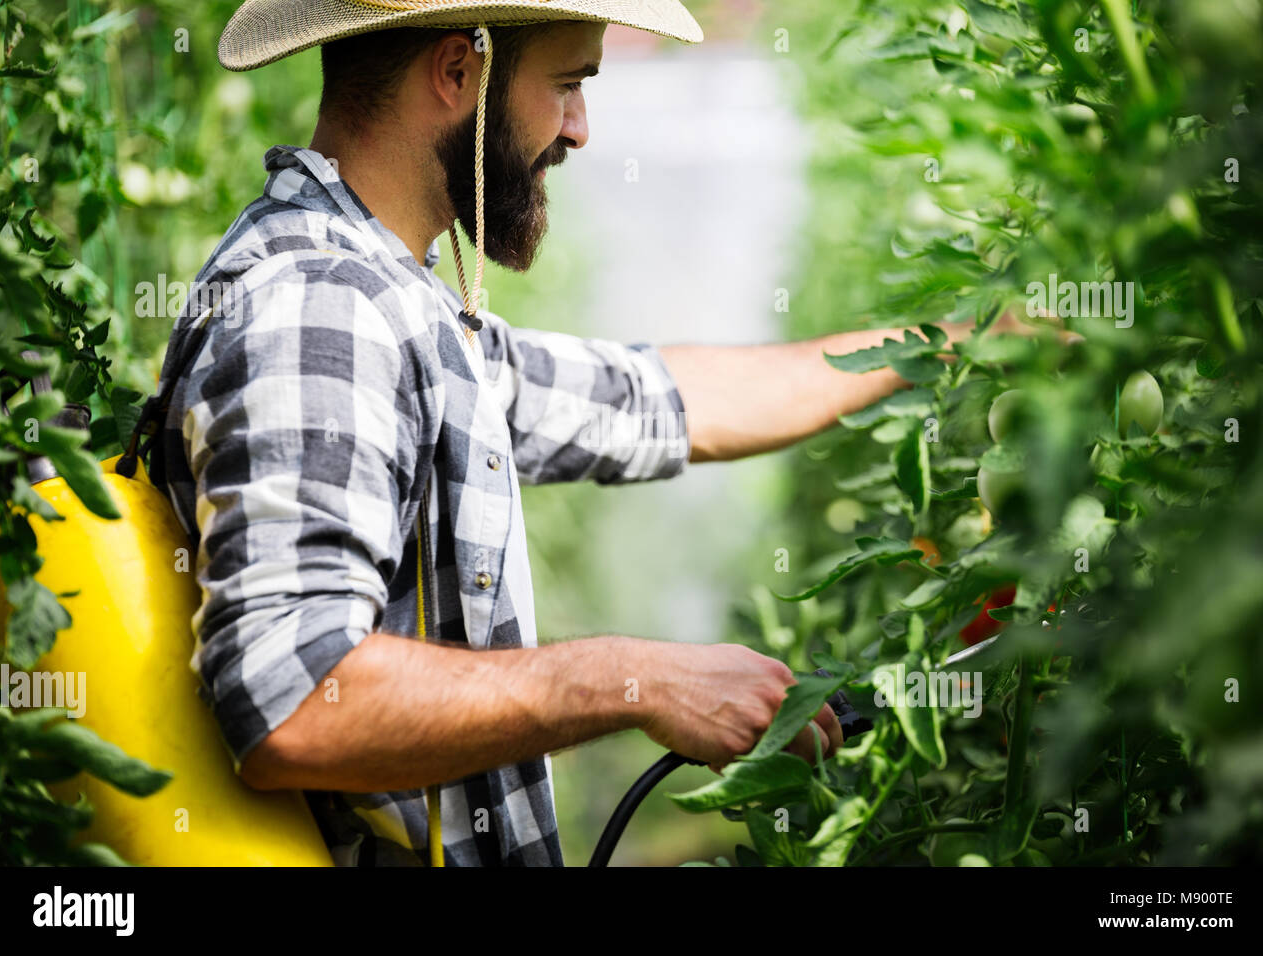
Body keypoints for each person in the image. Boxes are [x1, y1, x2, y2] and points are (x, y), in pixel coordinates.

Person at [150, 0, 1041, 866]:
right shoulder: (318, 308)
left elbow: (653, 398)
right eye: (569, 83)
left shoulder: (393, 301)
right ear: (460, 69)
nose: (580, 130)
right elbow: (295, 698)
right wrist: (638, 680)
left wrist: (952, 347)